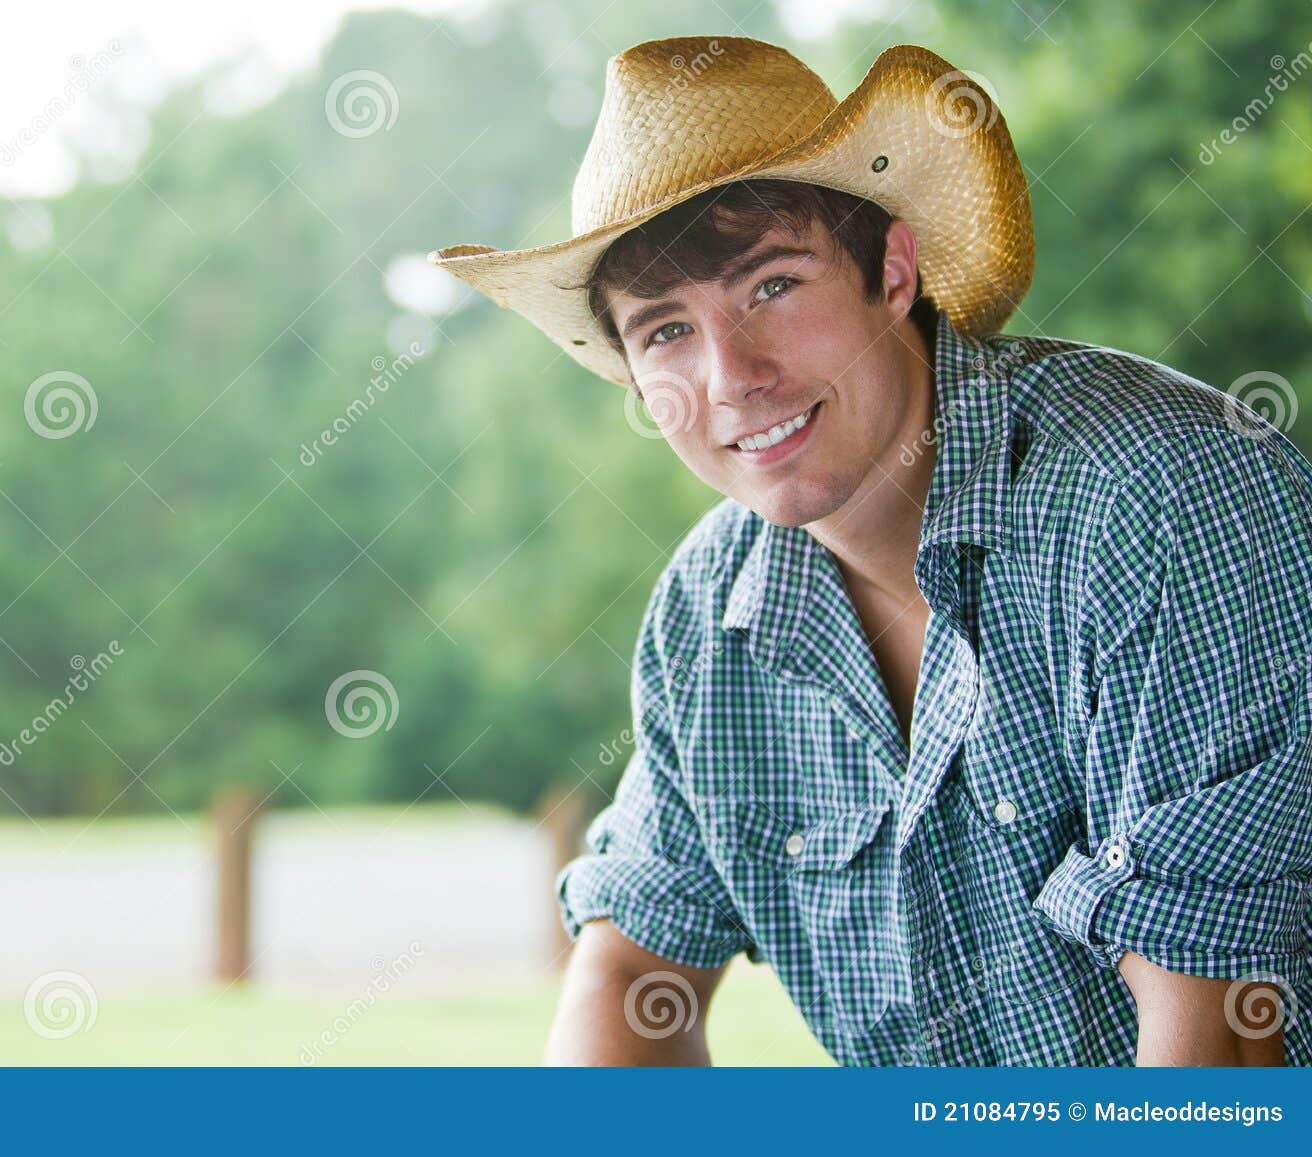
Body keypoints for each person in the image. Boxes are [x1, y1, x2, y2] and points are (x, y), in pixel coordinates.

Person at [429, 35, 1310, 1066]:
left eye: (772, 286)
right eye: (666, 332)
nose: (731, 377)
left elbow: (1221, 1045)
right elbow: (629, 968)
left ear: (892, 272)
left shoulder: (1162, 494)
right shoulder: (708, 612)